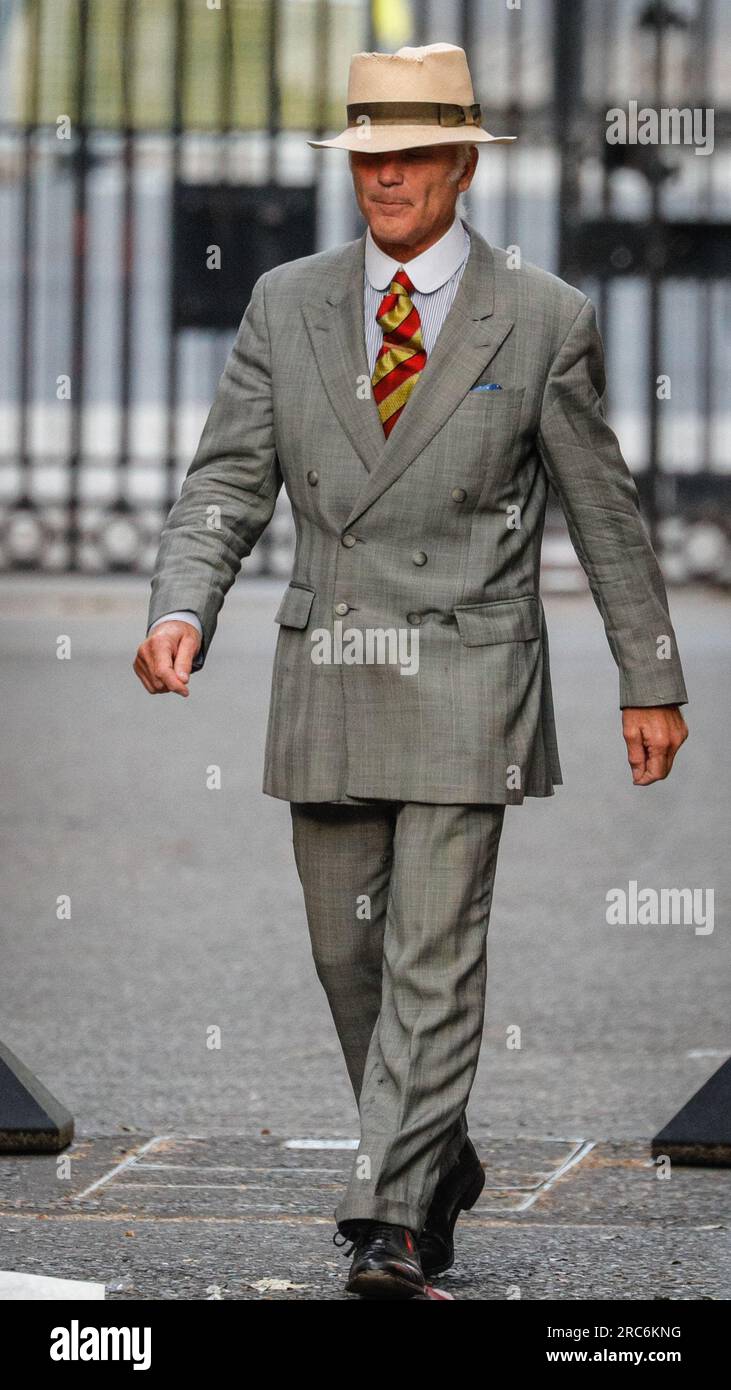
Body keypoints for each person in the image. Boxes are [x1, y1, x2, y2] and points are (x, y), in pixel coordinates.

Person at [133, 43, 688, 1299]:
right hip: (326, 665)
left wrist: (646, 674)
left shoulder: (541, 314)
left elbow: (600, 507)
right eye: (365, 154)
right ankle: (433, 1157)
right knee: (351, 961)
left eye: (408, 154)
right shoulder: (286, 300)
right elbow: (229, 476)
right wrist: (183, 604)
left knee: (434, 956)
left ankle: (386, 1220)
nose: (383, 177)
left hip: (468, 670)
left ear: (459, 162)